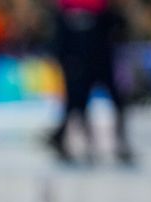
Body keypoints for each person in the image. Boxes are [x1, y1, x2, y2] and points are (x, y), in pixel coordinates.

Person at [47, 0, 135, 165]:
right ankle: (81, 143)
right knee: (78, 104)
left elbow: (117, 27)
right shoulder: (69, 10)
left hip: (97, 61)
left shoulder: (96, 10)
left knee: (82, 104)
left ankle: (109, 143)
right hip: (82, 63)